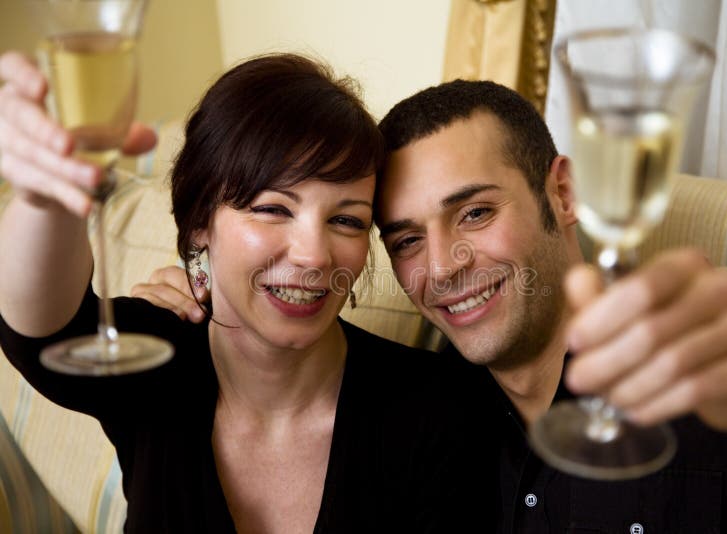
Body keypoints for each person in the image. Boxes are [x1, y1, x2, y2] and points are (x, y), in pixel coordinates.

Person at [140, 79, 727, 533]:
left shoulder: (710, 349)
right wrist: (206, 289)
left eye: (476, 212)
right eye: (405, 240)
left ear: (563, 194)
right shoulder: (428, 421)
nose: (446, 264)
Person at [0, 52, 501, 533]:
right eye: (273, 209)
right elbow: (42, 332)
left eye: (346, 220)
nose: (314, 256)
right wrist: (44, 193)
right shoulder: (153, 357)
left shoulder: (433, 410)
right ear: (200, 223)